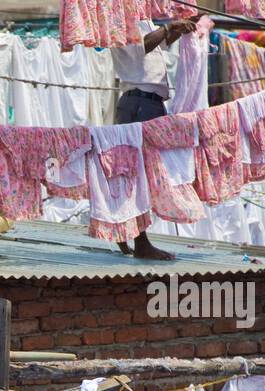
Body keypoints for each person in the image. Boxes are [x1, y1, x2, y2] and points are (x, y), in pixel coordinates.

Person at [110, 16, 199, 261]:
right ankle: (141, 242)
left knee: (139, 173)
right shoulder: (119, 18)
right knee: (140, 174)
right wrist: (169, 27)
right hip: (140, 102)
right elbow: (142, 46)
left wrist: (179, 30)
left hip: (146, 103)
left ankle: (128, 234)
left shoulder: (144, 19)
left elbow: (160, 43)